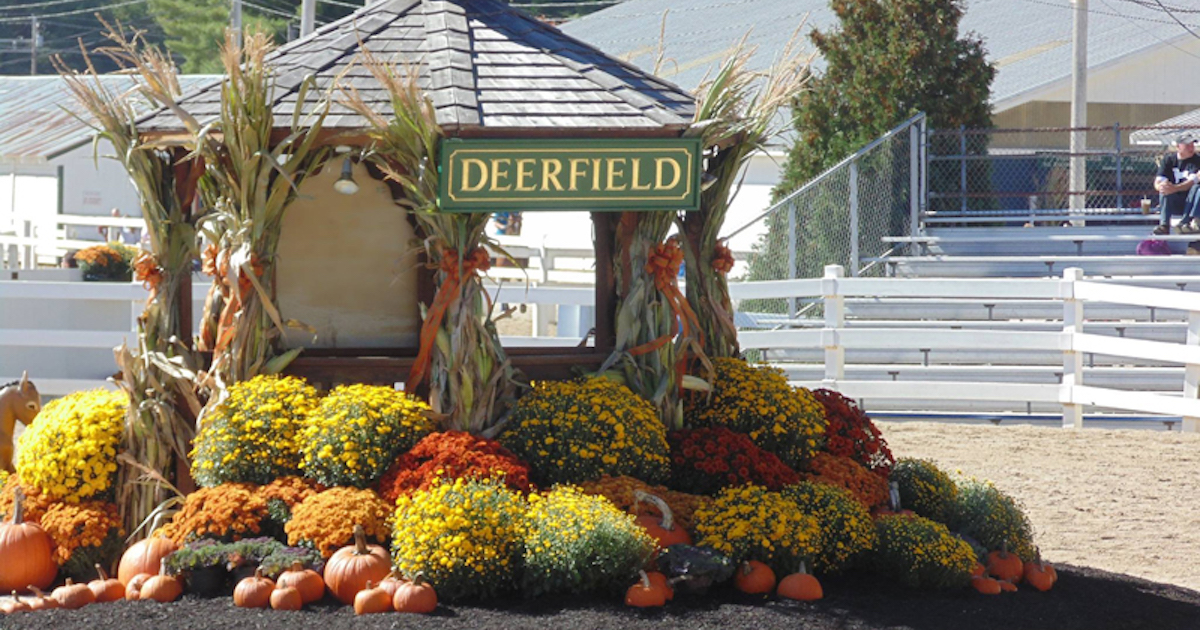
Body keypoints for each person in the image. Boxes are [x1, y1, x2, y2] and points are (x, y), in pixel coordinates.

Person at [1152, 132, 1200, 235]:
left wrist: (1174, 188)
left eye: (1192, 145)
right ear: (1178, 146)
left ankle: (1185, 222)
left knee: (1196, 187)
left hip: (1192, 202)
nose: (1191, 148)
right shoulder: (1168, 160)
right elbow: (1158, 181)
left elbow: (1192, 182)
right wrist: (1161, 187)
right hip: (1175, 201)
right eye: (1187, 145)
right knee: (1164, 189)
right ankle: (1164, 226)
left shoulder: (1198, 160)